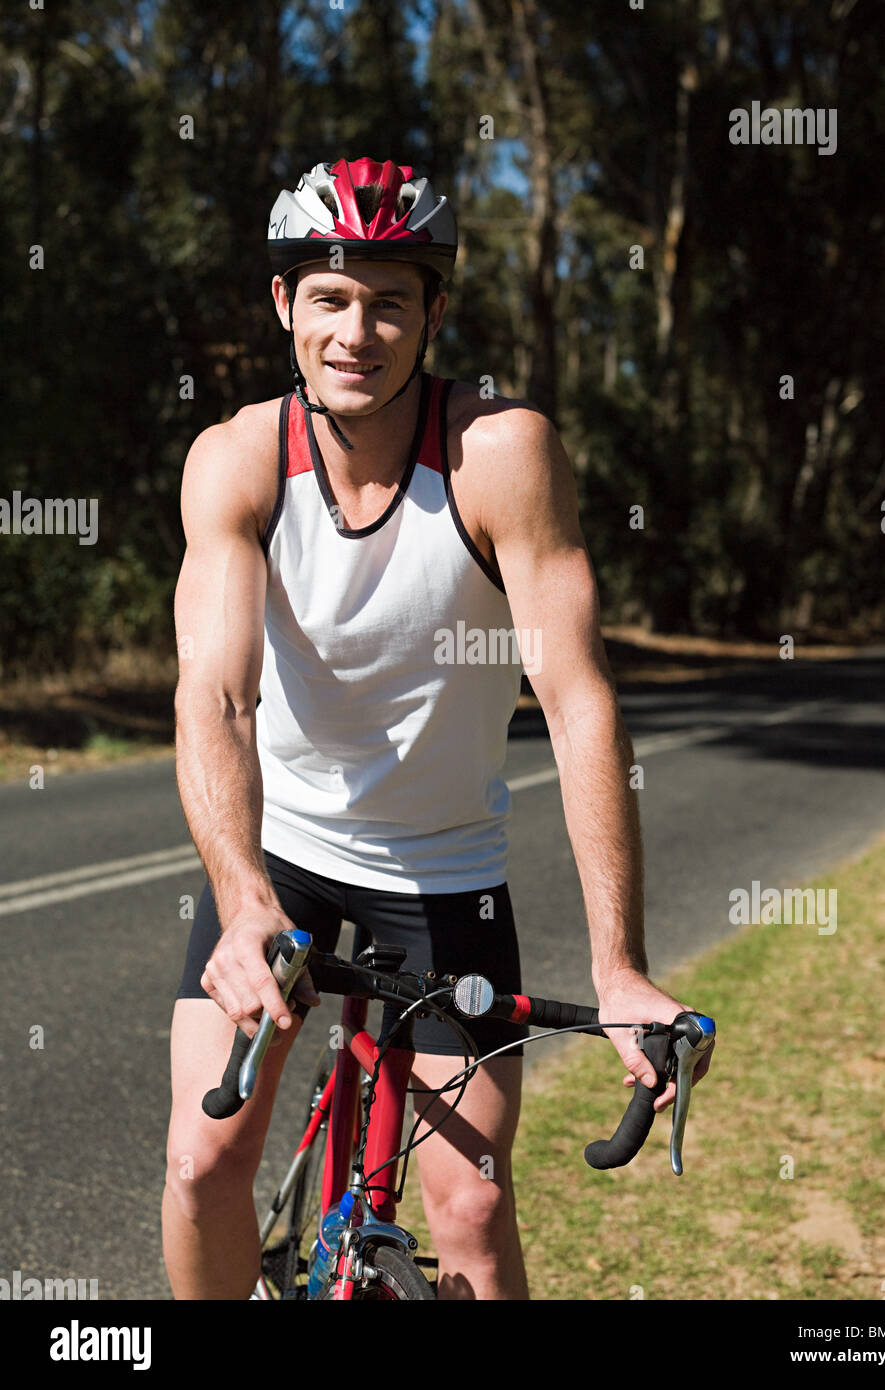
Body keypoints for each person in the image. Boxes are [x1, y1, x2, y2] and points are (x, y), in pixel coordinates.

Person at [162, 156, 709, 1301]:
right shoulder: (235, 461)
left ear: (434, 313)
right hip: (283, 865)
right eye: (329, 295)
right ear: (284, 303)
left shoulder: (498, 455)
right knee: (206, 1159)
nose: (357, 330)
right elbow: (216, 695)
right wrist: (241, 894)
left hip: (443, 873)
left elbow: (575, 695)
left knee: (472, 1205)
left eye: (390, 300)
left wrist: (620, 968)